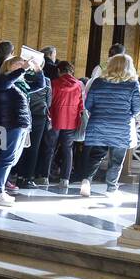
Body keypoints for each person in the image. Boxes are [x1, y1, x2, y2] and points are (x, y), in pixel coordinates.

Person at [78, 53, 140, 202]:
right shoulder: (133, 84)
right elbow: (138, 107)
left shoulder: (98, 83)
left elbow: (88, 105)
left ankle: (86, 181)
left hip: (98, 124)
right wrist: (126, 114)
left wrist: (99, 112)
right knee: (116, 160)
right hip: (121, 127)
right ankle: (111, 188)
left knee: (95, 156)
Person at [0, 56, 32, 207]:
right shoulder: (2, 80)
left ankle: (0, 188)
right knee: (6, 158)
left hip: (19, 125)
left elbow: (40, 84)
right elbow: (5, 83)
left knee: (12, 159)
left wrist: (37, 71)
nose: (23, 65)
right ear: (8, 66)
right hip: (10, 125)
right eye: (18, 63)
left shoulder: (18, 84)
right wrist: (22, 69)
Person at [43, 61, 84, 191]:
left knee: (50, 148)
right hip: (71, 121)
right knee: (68, 149)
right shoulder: (79, 85)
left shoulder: (54, 83)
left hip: (54, 119)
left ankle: (45, 176)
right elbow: (81, 105)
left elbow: (48, 102)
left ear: (59, 71)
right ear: (71, 71)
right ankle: (65, 179)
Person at [12, 57, 51, 189]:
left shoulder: (20, 78)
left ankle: (15, 173)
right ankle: (27, 177)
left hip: (23, 114)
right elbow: (49, 100)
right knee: (33, 147)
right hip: (39, 115)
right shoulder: (45, 80)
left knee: (20, 145)